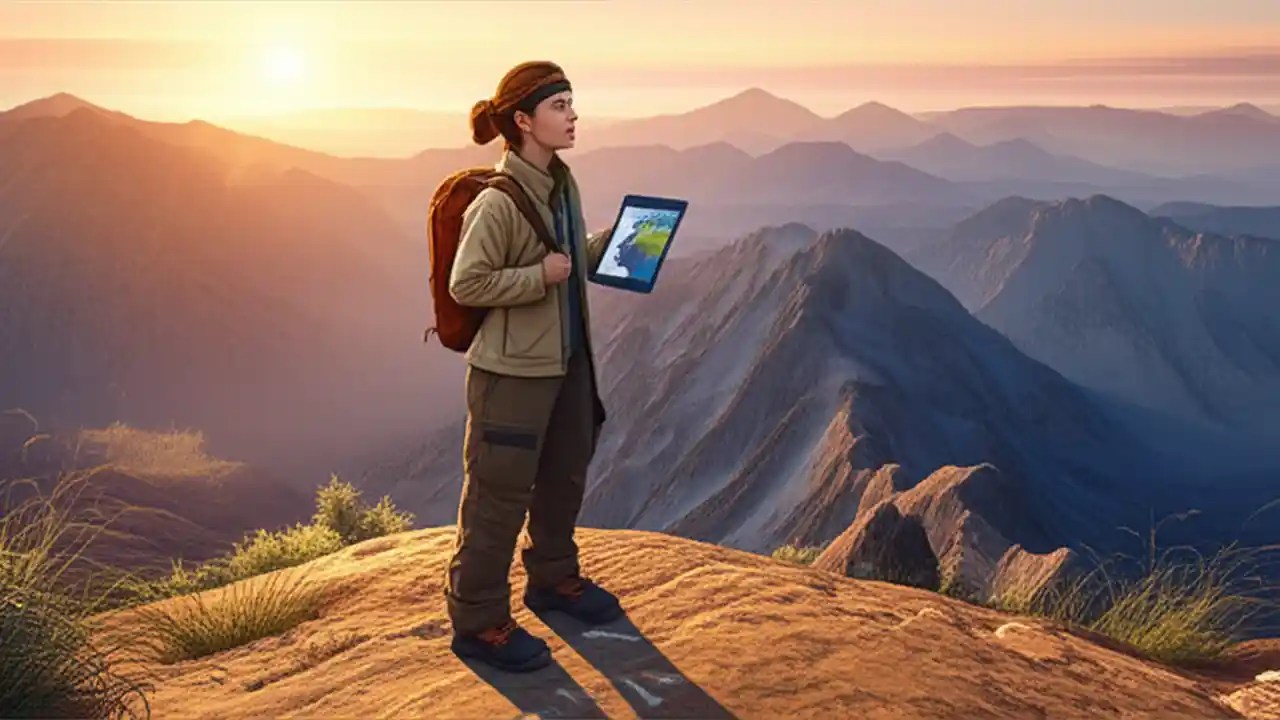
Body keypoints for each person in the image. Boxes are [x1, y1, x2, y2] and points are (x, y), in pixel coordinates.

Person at [444, 60, 622, 673]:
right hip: (512, 377)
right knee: (497, 497)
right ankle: (479, 621)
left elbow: (564, 261)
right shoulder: (496, 201)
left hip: (567, 364)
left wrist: (609, 246)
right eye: (560, 106)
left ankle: (553, 582)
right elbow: (466, 283)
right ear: (523, 120)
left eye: (573, 103)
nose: (573, 116)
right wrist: (536, 277)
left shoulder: (561, 184)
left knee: (564, 475)